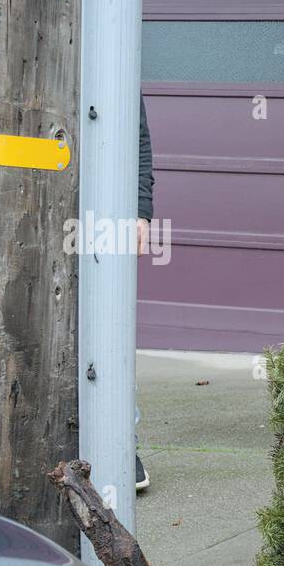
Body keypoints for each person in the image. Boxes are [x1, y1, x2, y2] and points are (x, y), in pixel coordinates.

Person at [135, 95, 154, 492]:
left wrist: (140, 211)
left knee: (107, 330)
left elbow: (139, 141)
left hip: (99, 210)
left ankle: (121, 443)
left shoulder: (109, 49)